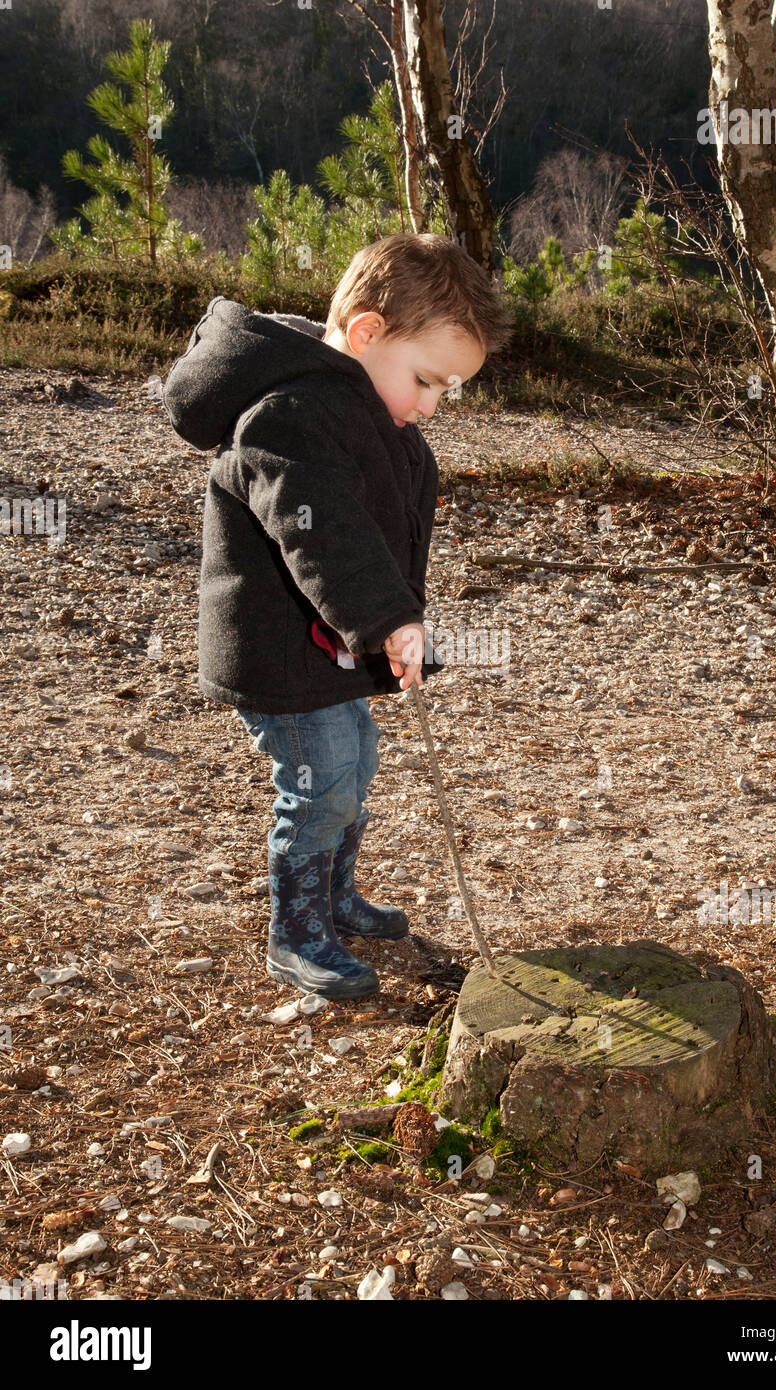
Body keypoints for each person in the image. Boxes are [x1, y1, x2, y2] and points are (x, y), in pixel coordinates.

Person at [161, 232, 512, 1000]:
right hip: (280, 650)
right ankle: (295, 929)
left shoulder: (365, 411)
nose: (432, 403)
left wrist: (391, 618)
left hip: (332, 646)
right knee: (320, 782)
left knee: (356, 761)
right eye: (426, 380)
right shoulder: (293, 417)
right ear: (365, 334)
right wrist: (388, 617)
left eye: (447, 390)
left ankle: (334, 897)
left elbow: (384, 522)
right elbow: (322, 532)